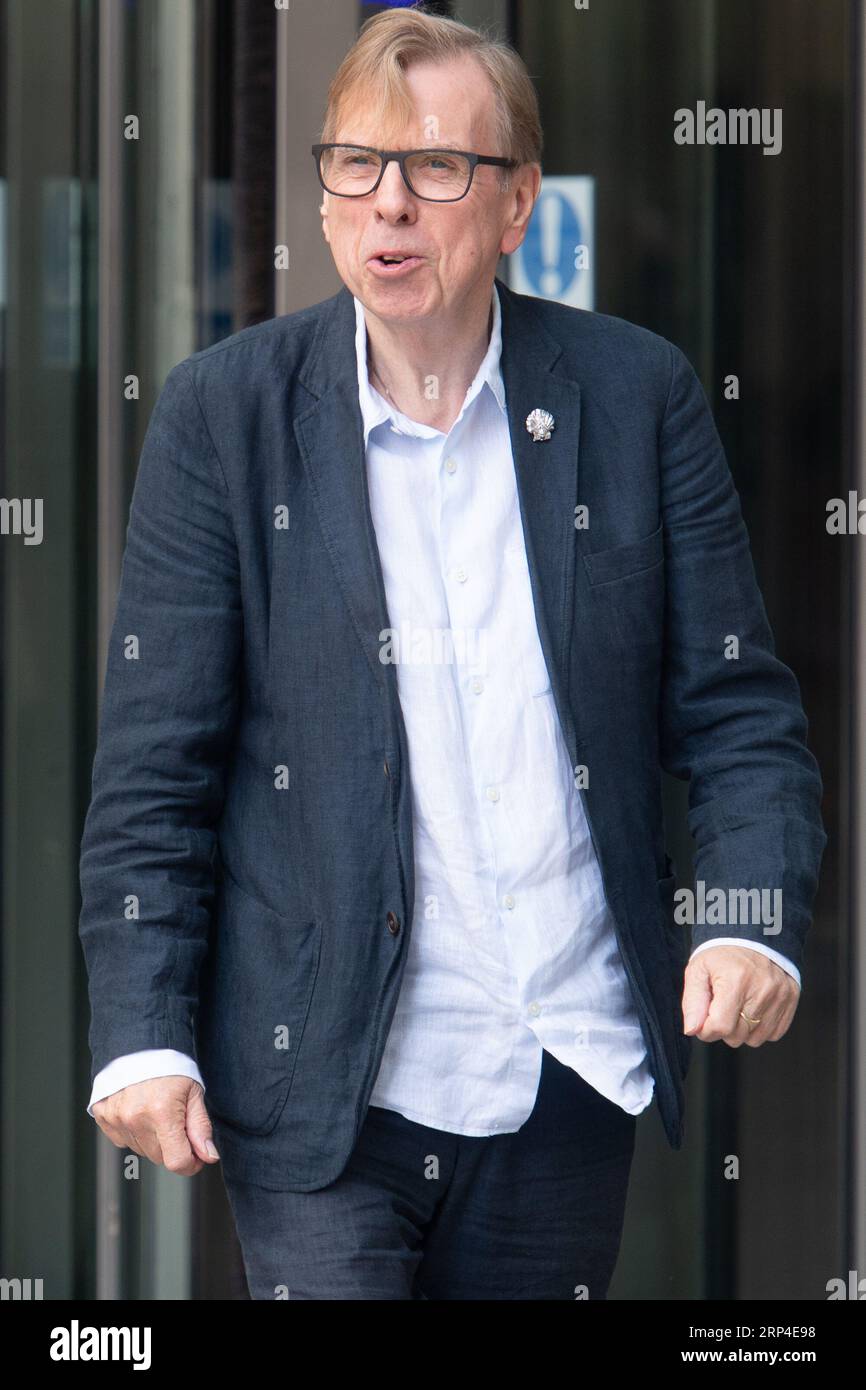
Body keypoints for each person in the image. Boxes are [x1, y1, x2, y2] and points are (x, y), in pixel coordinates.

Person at [79, 6, 826, 1300]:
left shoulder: (635, 397)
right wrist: (141, 1034)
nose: (390, 204)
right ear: (322, 202)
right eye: (356, 166)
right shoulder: (224, 418)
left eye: (436, 168)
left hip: (559, 1071)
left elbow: (736, 711)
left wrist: (752, 920)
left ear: (517, 203)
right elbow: (156, 773)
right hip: (320, 1088)